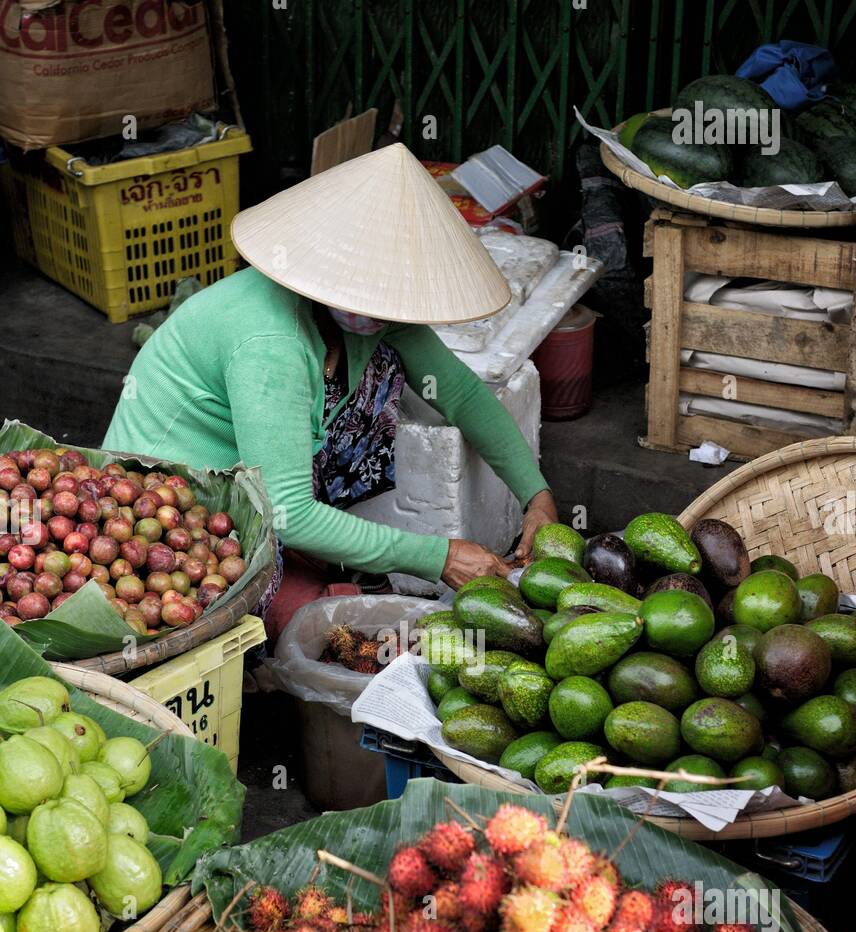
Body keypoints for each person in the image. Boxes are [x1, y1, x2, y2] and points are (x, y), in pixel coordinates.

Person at [103, 143, 557, 634]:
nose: (378, 309)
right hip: (172, 501)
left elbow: (461, 395)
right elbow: (288, 513)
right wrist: (437, 556)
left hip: (258, 483)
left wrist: (537, 494)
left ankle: (318, 555)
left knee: (389, 370)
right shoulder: (269, 344)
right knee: (315, 622)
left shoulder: (378, 318)